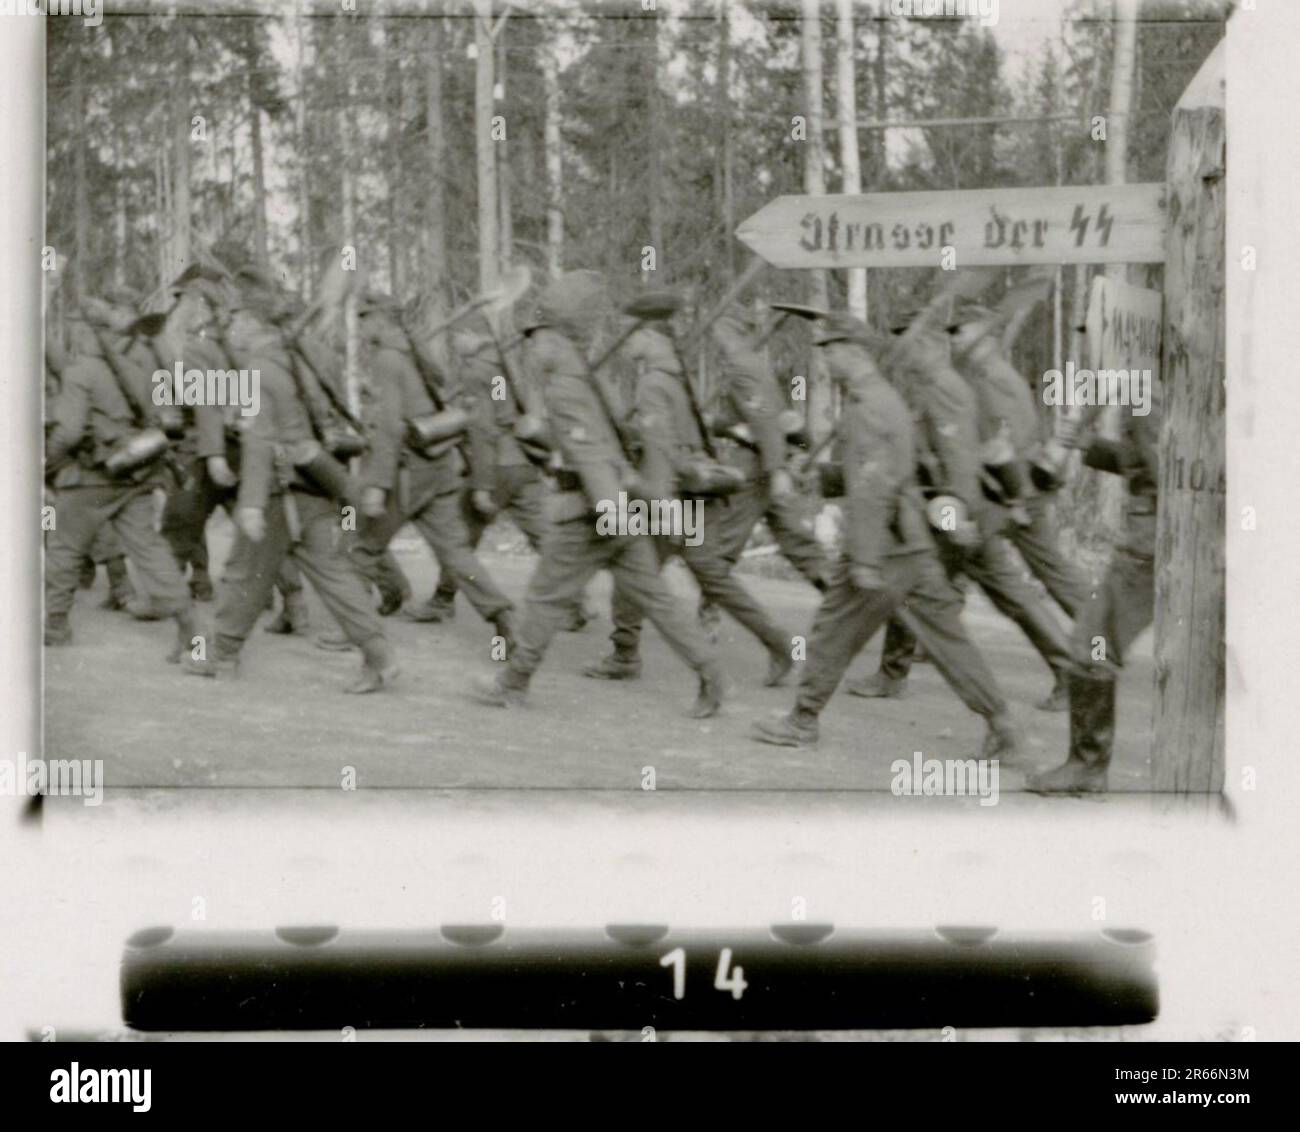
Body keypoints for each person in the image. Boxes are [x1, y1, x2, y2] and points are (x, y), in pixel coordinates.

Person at [751, 315, 1020, 758]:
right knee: (948, 639)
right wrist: (824, 476)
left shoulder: (870, 405)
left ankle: (802, 720)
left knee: (830, 630)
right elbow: (888, 468)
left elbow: (875, 485)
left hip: (885, 545)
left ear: (853, 353)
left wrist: (864, 558)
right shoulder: (881, 399)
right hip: (912, 542)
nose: (826, 359)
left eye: (831, 350)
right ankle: (1002, 723)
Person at [469, 271, 725, 717]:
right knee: (657, 600)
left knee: (544, 598)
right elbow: (604, 441)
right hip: (615, 509)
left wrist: (611, 512)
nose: (532, 347)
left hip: (589, 513)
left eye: (538, 338)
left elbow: (588, 451)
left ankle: (512, 682)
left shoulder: (565, 385)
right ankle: (710, 673)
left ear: (557, 337)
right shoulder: (587, 377)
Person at [181, 286, 397, 693]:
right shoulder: (298, 357)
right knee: (333, 573)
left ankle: (221, 653)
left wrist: (250, 505)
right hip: (313, 479)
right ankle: (380, 655)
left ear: (252, 322)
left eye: (238, 318)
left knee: (244, 571)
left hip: (278, 490)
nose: (232, 327)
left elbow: (260, 440)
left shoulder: (260, 371)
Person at [583, 307, 796, 686]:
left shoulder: (653, 384)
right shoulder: (676, 377)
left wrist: (655, 500)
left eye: (633, 336)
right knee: (711, 576)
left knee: (631, 569)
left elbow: (660, 445)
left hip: (668, 498)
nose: (627, 343)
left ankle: (626, 654)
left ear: (652, 338)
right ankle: (776, 640)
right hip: (691, 497)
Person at [44, 295, 202, 663]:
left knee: (64, 548)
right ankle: (191, 631)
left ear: (89, 332)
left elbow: (67, 433)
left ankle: (55, 624)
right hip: (136, 472)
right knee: (150, 550)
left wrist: (48, 462)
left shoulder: (81, 371)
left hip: (90, 478)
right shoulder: (139, 367)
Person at [1026, 392, 1161, 793]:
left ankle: (1086, 768)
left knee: (1093, 642)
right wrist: (1092, 447)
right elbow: (1149, 463)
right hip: (1159, 541)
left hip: (1151, 545)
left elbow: (1167, 474)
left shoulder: (1148, 393)